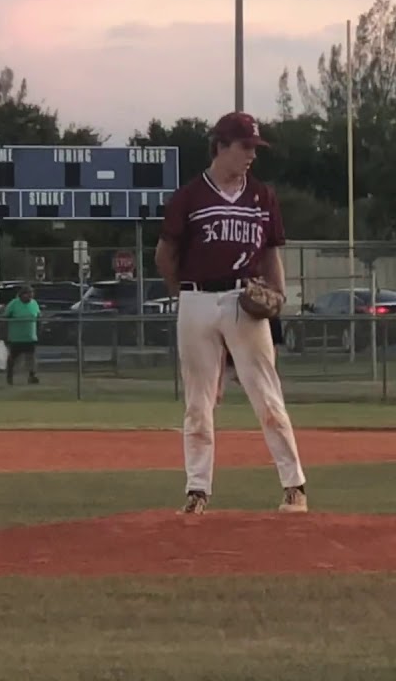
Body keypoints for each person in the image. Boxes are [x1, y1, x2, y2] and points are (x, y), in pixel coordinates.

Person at [155, 110, 307, 515]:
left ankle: (294, 486)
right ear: (220, 146)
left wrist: (278, 294)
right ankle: (197, 490)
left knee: (266, 394)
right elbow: (164, 254)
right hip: (197, 300)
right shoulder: (190, 196)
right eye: (245, 146)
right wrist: (183, 296)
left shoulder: (261, 196)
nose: (251, 155)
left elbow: (271, 251)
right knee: (198, 402)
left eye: (254, 147)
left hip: (245, 301)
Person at [3, 285, 41, 385]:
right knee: (13, 358)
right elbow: (5, 317)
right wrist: (4, 335)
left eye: (31, 293)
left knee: (31, 358)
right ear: (22, 295)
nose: (30, 296)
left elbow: (38, 317)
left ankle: (32, 376)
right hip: (16, 337)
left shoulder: (34, 303)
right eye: (28, 294)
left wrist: (39, 332)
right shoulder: (14, 303)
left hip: (30, 337)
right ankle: (10, 377)